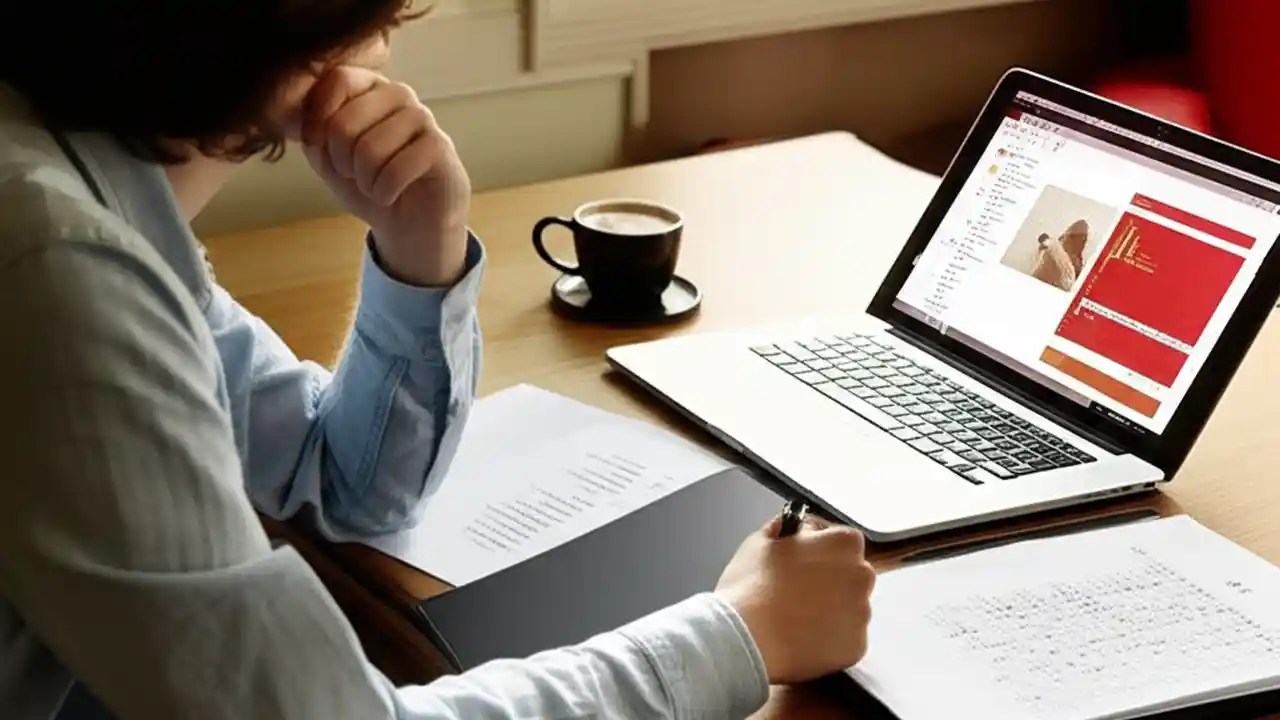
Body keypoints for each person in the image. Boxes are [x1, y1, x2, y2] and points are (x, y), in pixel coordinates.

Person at [0, 2, 877, 718]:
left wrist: (421, 254)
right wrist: (743, 631)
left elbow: (343, 483)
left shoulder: (85, 196)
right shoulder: (61, 272)